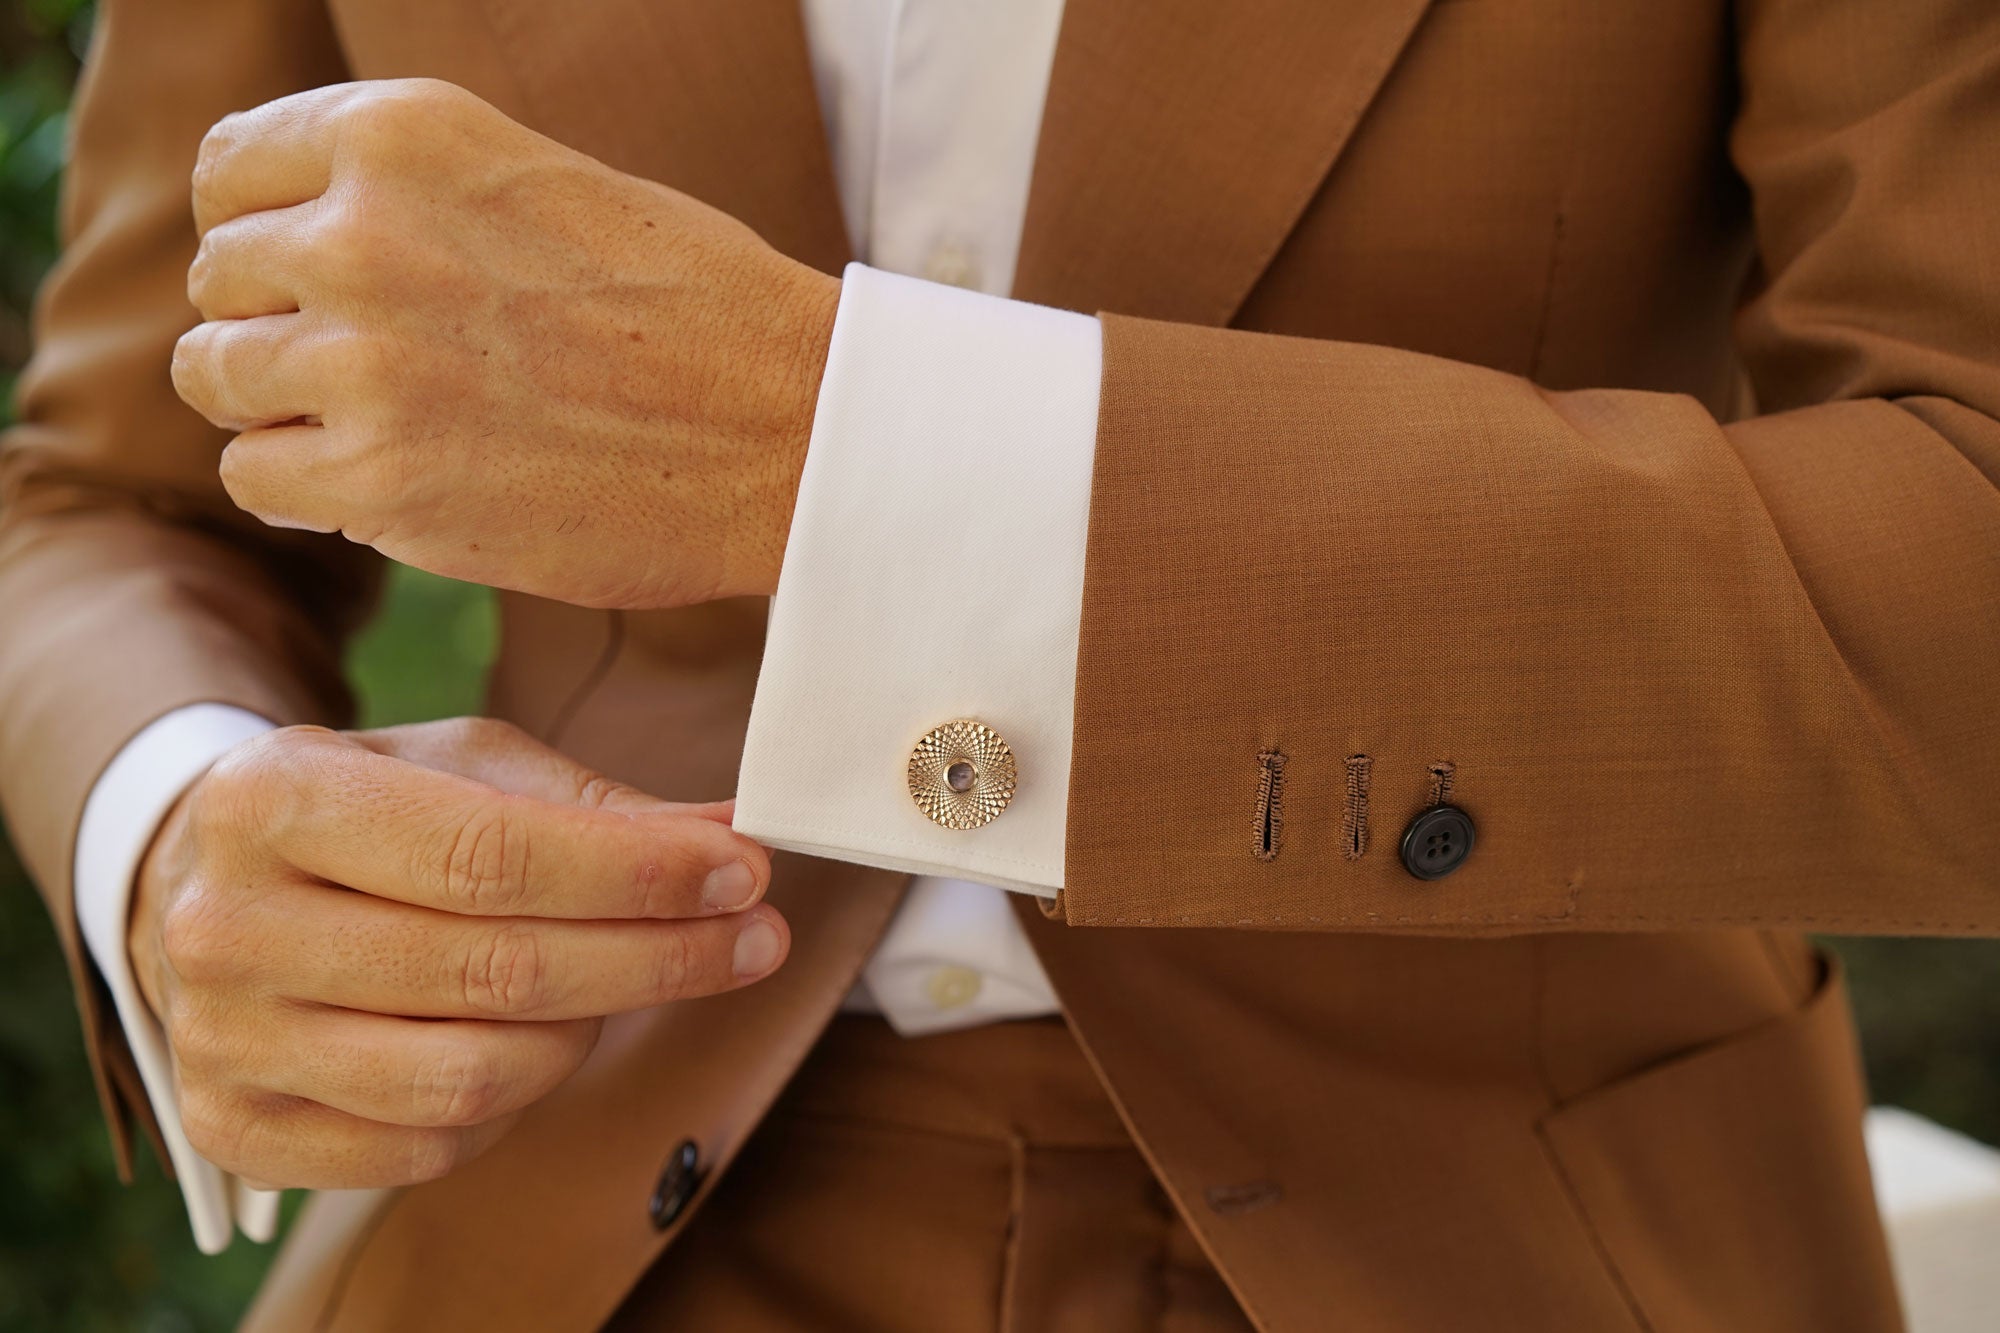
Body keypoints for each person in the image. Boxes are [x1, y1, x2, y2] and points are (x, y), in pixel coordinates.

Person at [2, 0, 1996, 1328]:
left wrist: (845, 450)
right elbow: (104, 495)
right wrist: (171, 818)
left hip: (1516, 1233)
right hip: (563, 1210)